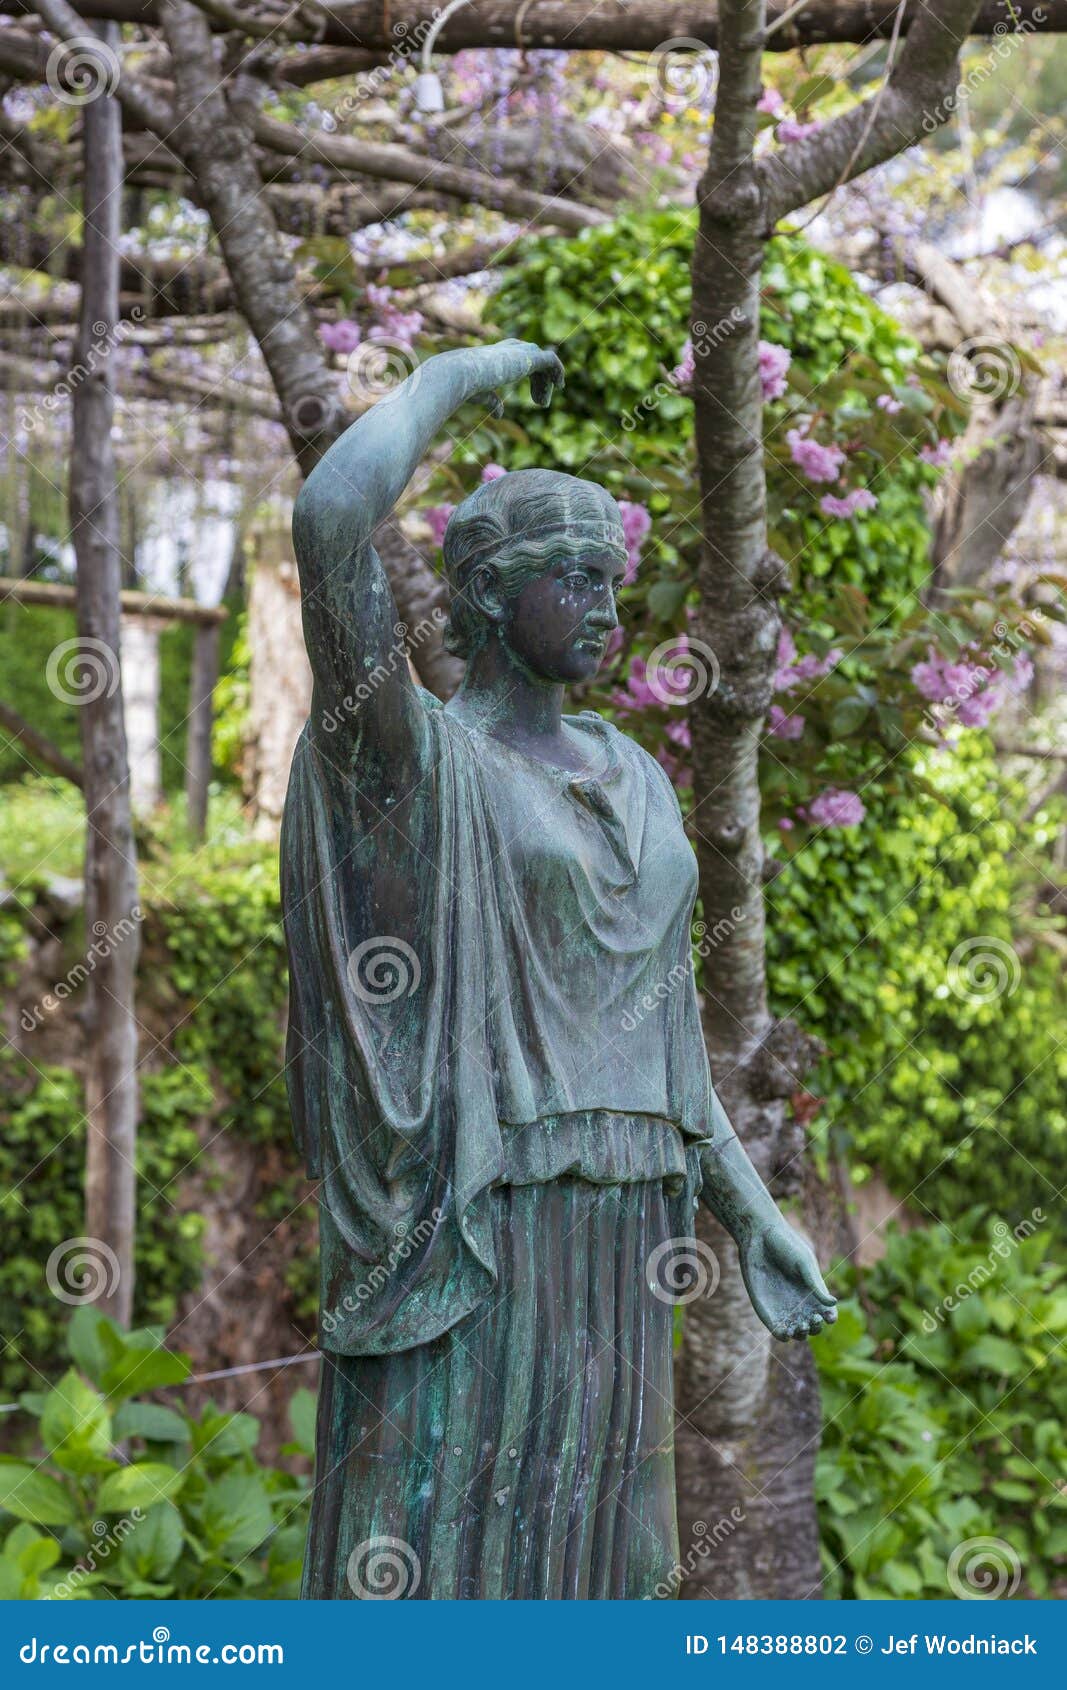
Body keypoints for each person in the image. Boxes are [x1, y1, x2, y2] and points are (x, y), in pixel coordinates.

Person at [281, 340, 836, 1601]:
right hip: (483, 1227)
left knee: (601, 1565)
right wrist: (451, 376)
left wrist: (752, 1219)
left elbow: (667, 1046)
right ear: (482, 599)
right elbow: (326, 518)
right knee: (434, 1561)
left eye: (614, 578)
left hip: (624, 1232)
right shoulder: (413, 761)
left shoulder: (633, 773)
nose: (606, 605)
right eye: (574, 578)